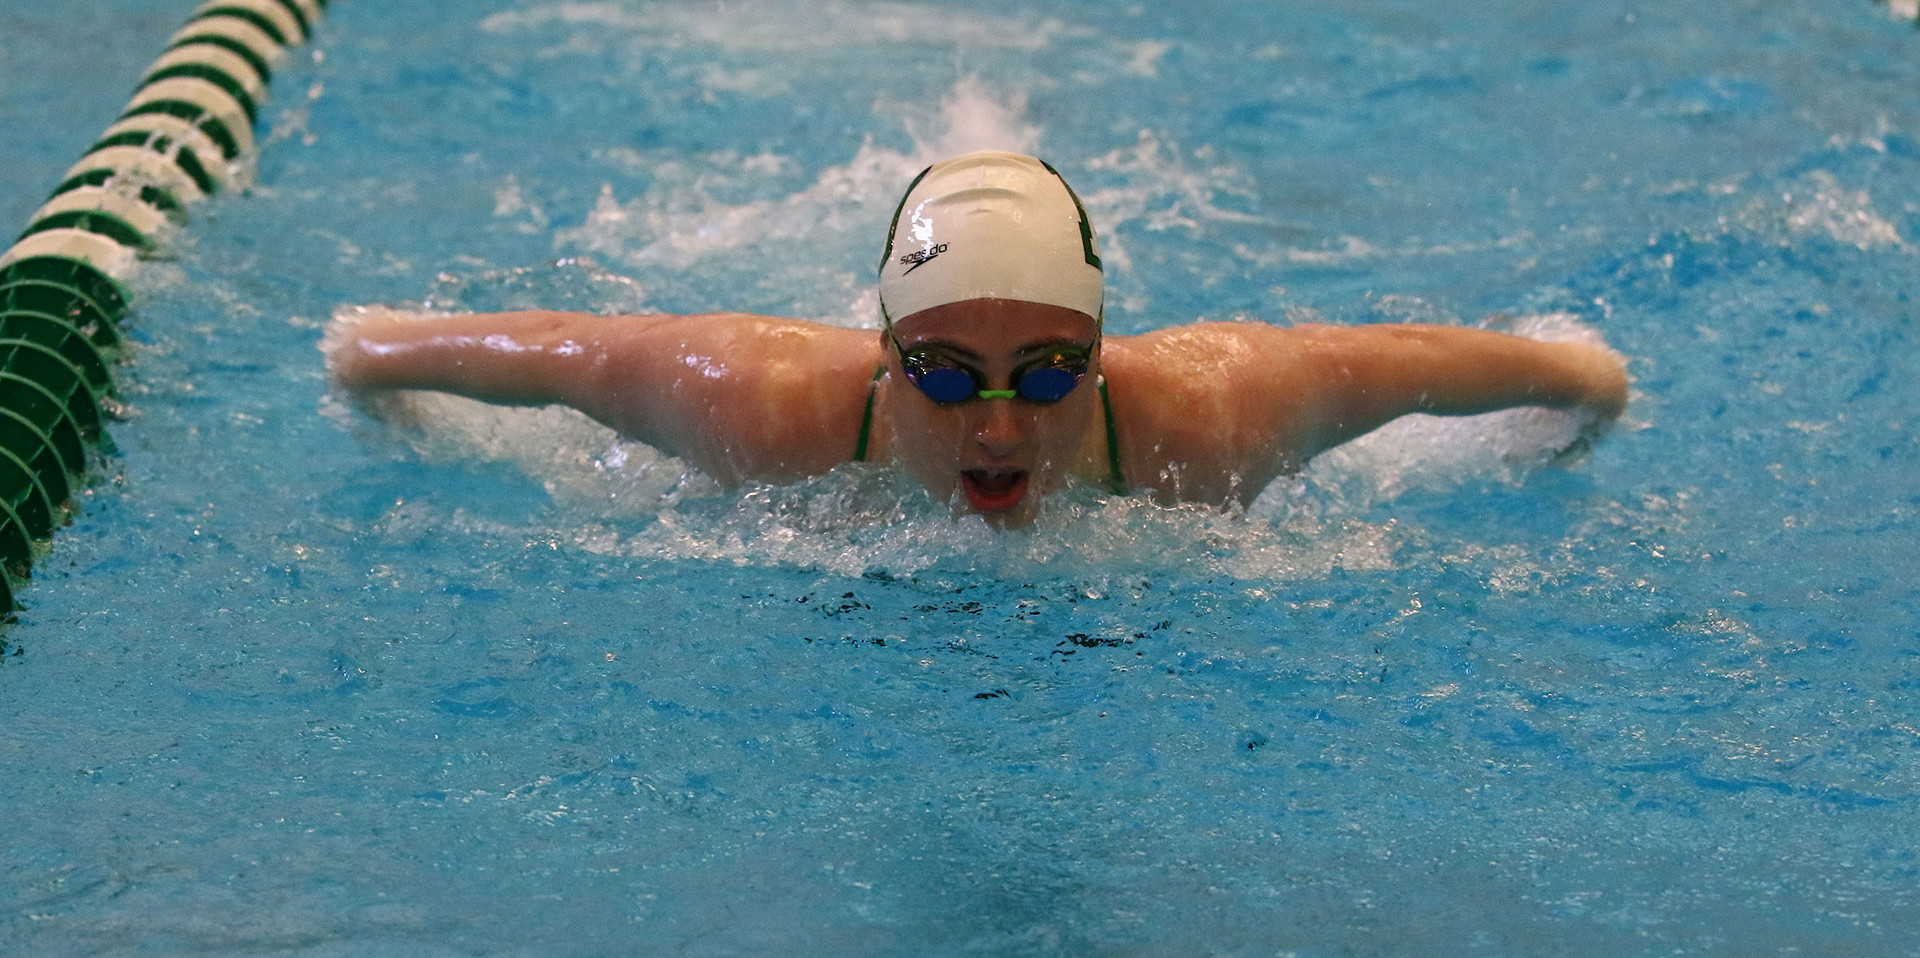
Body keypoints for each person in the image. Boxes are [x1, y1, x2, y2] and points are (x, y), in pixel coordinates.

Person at [327, 150, 1628, 528]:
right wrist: (374, 356)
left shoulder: (1206, 419)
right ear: (882, 356)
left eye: (1050, 373)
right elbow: (569, 354)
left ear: (1105, 358)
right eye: (946, 374)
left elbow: (1404, 362)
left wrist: (1582, 381)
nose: (999, 426)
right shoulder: (770, 405)